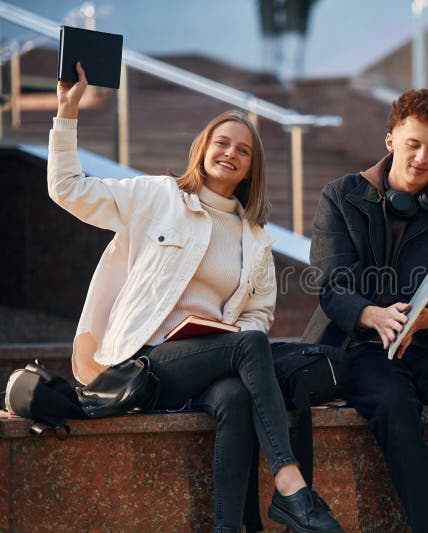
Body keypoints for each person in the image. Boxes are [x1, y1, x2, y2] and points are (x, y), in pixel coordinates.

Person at [48, 62, 342, 533]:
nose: (230, 153)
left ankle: (227, 528)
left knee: (235, 397)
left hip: (207, 362)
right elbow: (68, 190)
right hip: (146, 361)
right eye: (222, 143)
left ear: (251, 169)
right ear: (203, 148)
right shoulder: (157, 197)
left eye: (242, 151)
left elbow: (259, 312)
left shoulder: (256, 239)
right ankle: (292, 487)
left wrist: (230, 335)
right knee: (249, 347)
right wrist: (67, 113)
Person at [303, 89, 428, 533]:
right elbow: (331, 284)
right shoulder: (341, 196)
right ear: (390, 141)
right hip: (359, 341)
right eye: (413, 144)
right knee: (392, 403)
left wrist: (425, 318)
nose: (421, 158)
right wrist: (373, 314)